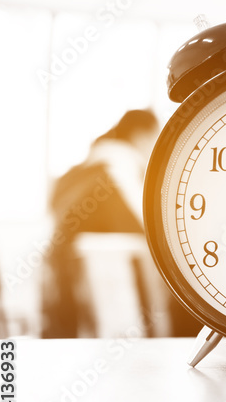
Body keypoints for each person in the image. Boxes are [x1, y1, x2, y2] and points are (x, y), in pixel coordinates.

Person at [41, 110, 196, 337]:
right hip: (108, 264)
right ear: (141, 135)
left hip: (70, 266)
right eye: (155, 137)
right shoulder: (121, 162)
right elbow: (149, 220)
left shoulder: (88, 165)